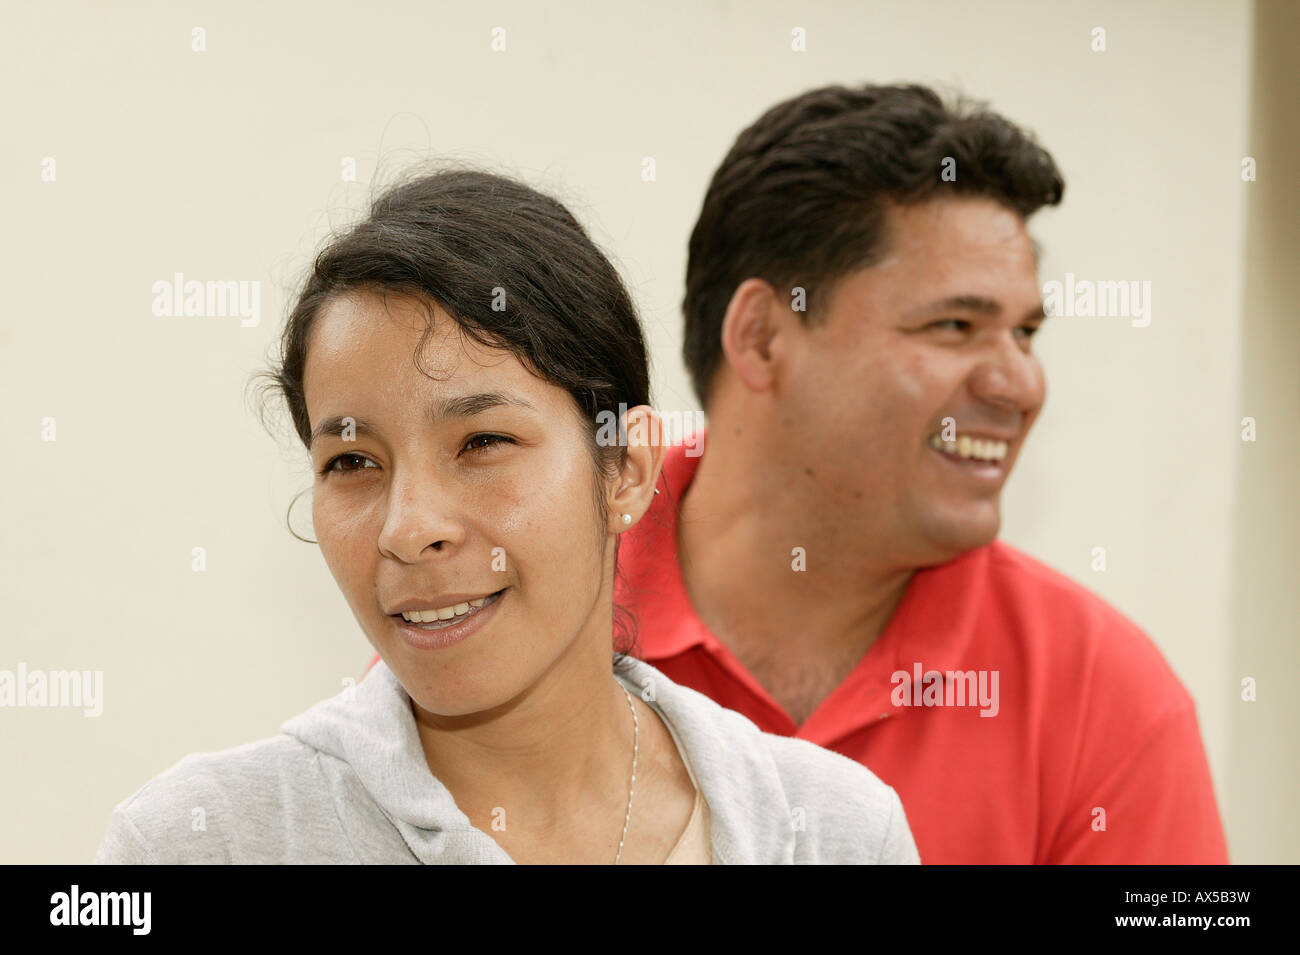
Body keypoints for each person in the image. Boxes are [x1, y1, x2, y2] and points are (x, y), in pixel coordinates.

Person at [92, 166, 919, 865]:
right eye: (351, 462)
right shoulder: (204, 844)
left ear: (626, 468)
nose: (408, 527)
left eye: (483, 441)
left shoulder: (833, 833)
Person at [613, 83, 1229, 864]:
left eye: (1026, 334)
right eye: (956, 325)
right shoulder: (527, 611)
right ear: (764, 338)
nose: (1019, 385)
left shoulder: (1103, 697)